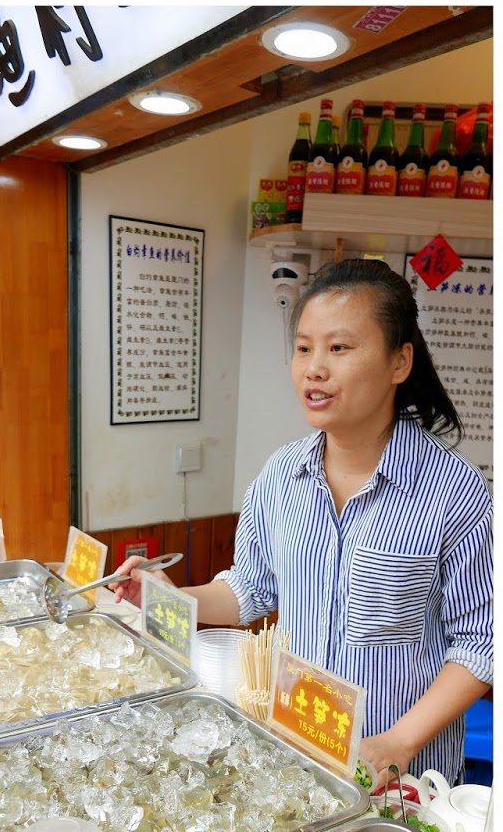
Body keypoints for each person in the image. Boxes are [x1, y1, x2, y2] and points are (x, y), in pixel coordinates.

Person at [113, 258, 491, 785]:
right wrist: (167, 596)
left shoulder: (456, 492)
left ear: (399, 362)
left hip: (400, 775)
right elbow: (250, 588)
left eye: (339, 348)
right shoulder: (280, 475)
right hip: (298, 754)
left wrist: (397, 742)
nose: (314, 368)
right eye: (304, 348)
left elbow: (480, 642)